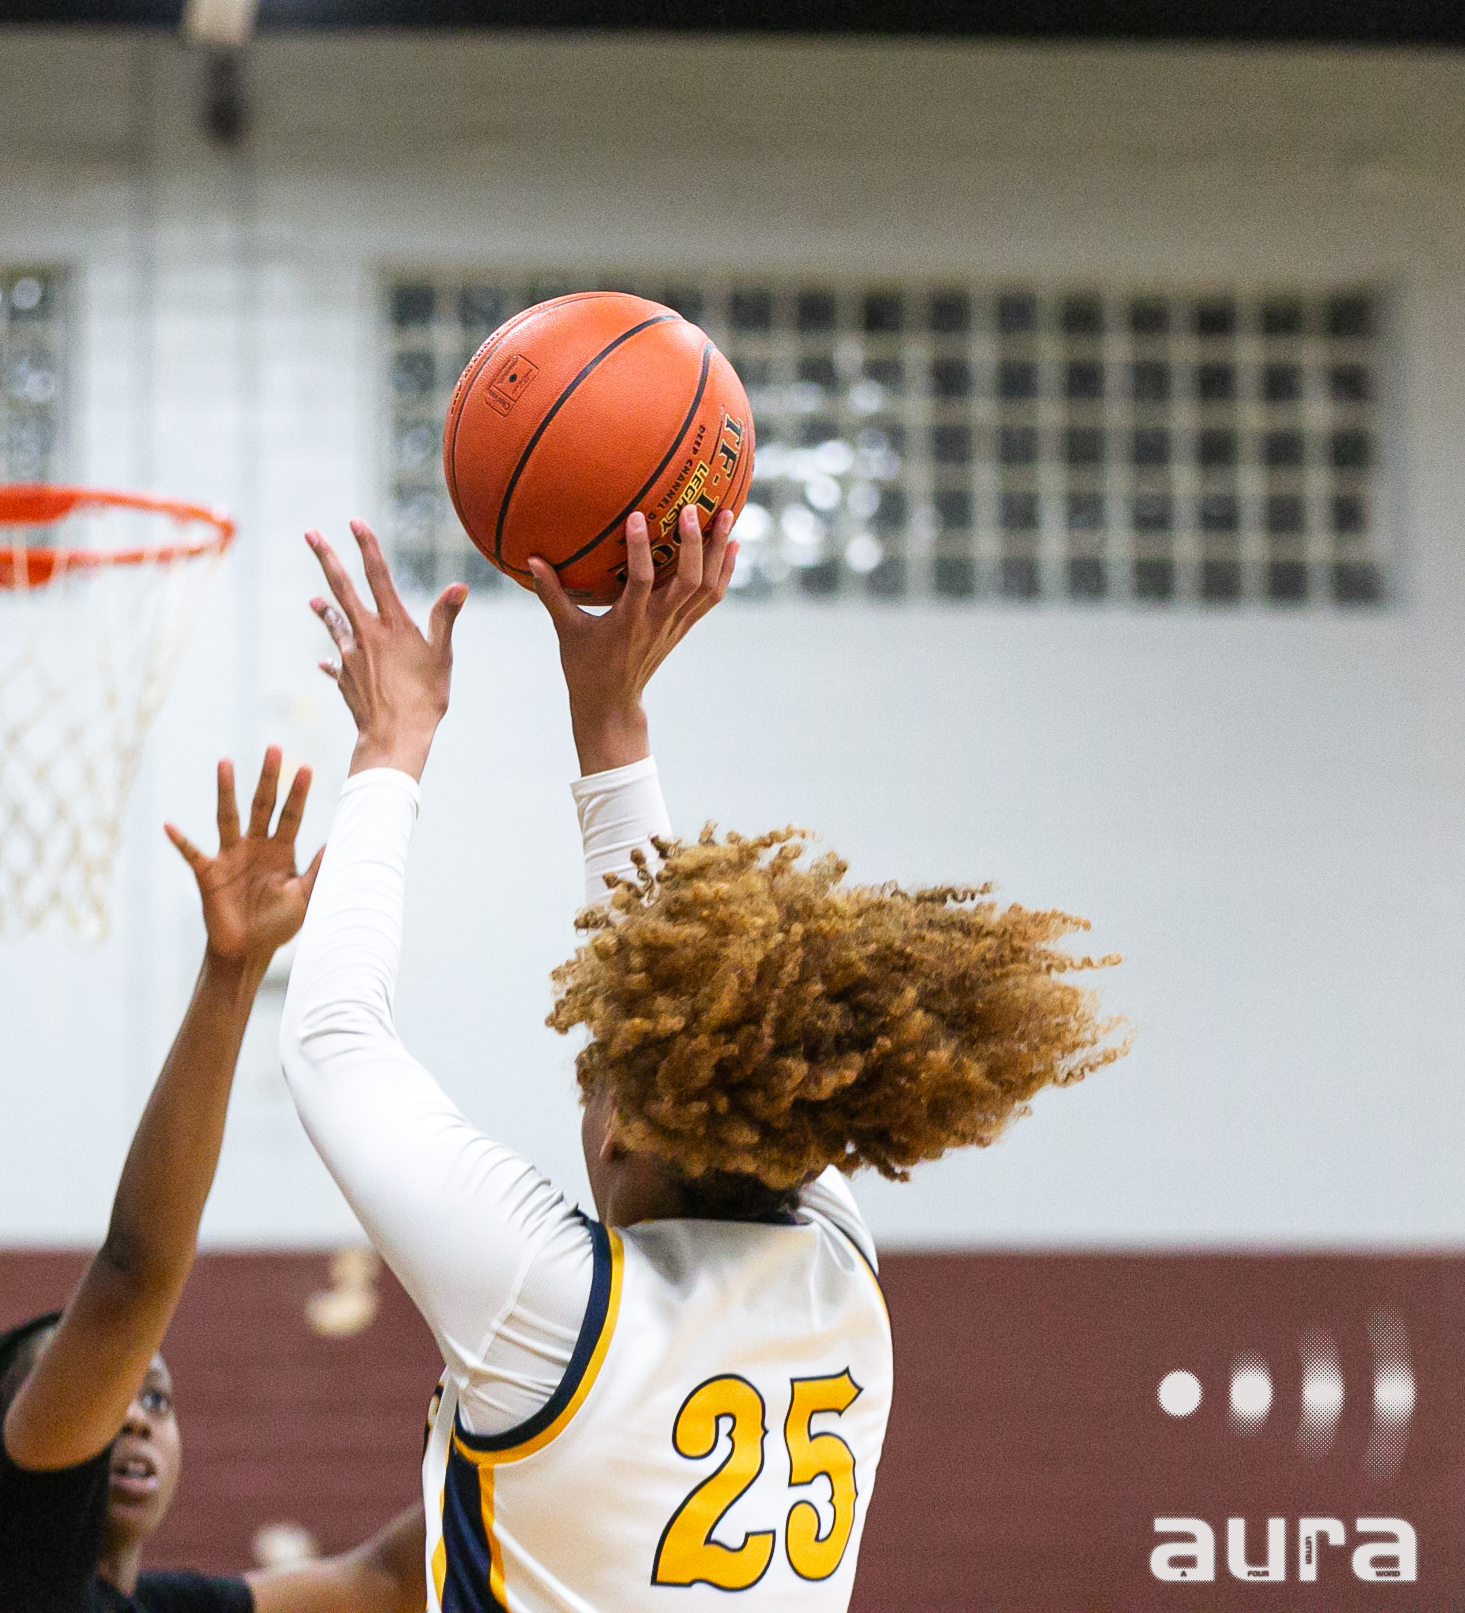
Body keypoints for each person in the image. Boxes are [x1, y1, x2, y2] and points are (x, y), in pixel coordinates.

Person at [284, 507, 1124, 1612]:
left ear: (627, 1130)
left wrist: (393, 743)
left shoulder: (562, 1314)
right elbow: (689, 1000)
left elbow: (337, 1044)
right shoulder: (836, 1278)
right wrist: (611, 722)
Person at [0, 747, 425, 1613]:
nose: (136, 1416)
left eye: (158, 1399)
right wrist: (234, 969)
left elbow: (386, 1580)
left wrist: (553, 1405)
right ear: (1, 1453)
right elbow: (134, 1276)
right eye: (104, 1387)